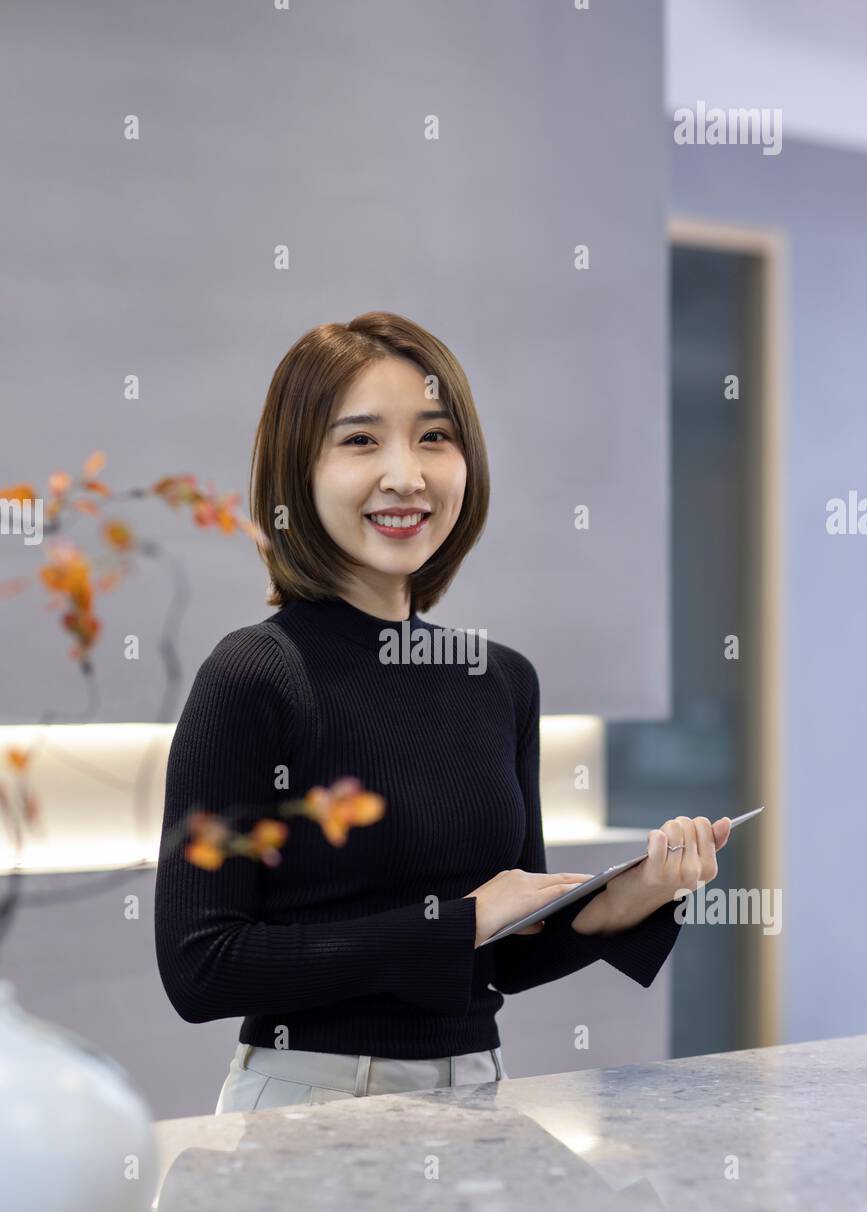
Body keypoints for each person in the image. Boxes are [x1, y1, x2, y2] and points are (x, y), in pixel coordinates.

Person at [153, 311, 730, 1114]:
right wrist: (454, 923)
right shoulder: (253, 675)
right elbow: (202, 966)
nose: (406, 475)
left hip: (475, 1093)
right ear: (298, 470)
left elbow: (506, 952)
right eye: (360, 441)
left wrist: (630, 899)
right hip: (311, 1104)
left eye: (433, 437)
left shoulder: (499, 681)